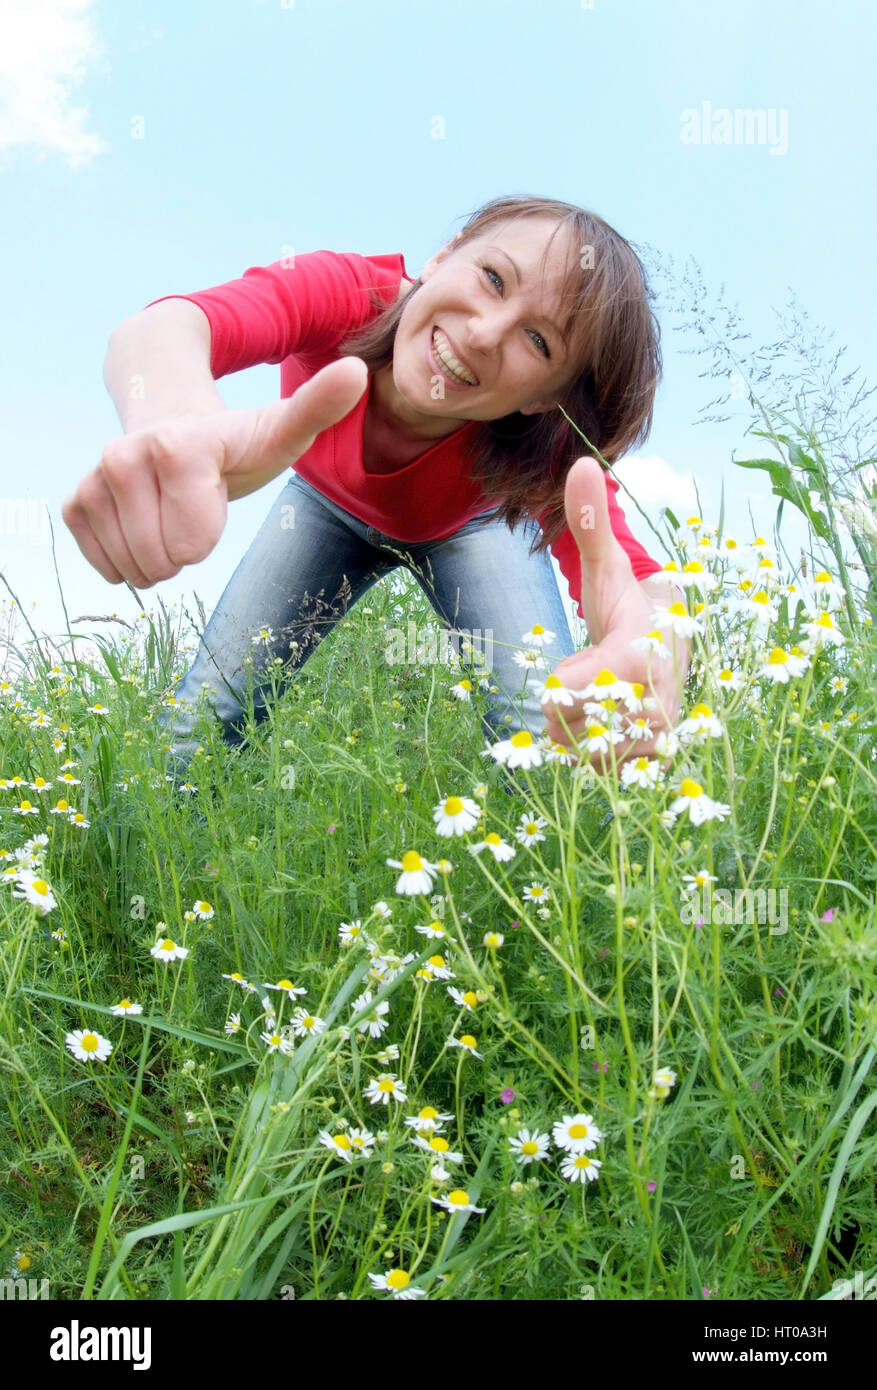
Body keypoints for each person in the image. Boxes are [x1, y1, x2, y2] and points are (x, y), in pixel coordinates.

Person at [62, 194, 690, 788]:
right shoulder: (346, 293)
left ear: (544, 399)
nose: (482, 333)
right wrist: (173, 420)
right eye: (493, 278)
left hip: (474, 527)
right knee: (205, 717)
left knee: (540, 734)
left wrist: (656, 646)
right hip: (322, 508)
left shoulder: (546, 453)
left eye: (539, 341)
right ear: (444, 255)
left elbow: (633, 576)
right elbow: (164, 329)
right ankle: (143, 860)